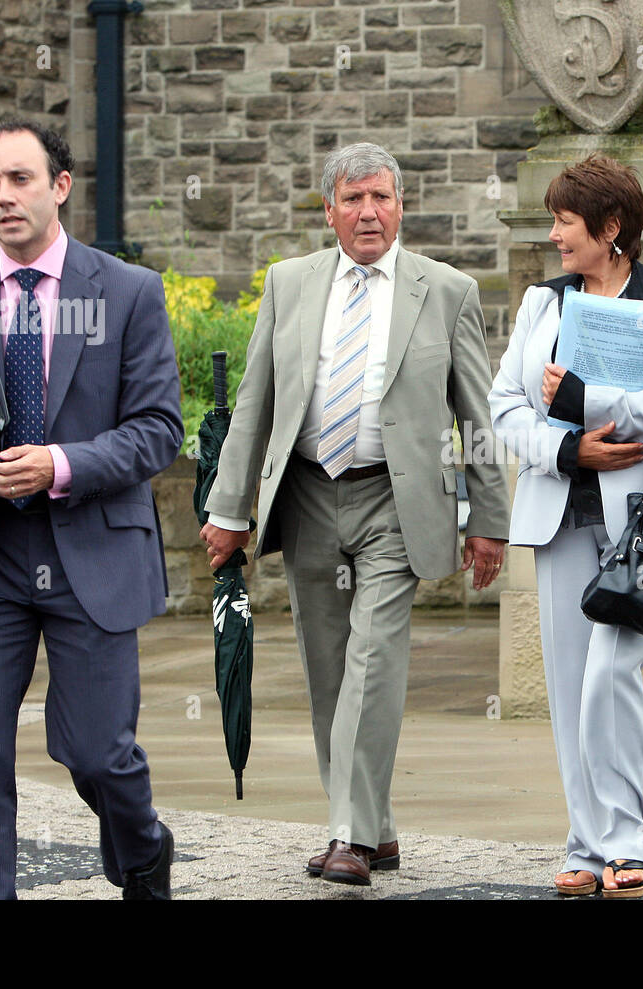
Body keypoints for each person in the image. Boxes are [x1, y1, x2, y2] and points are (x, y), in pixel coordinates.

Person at [0, 121, 183, 899]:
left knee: (96, 753)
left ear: (60, 185)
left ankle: (145, 847)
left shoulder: (126, 292)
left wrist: (61, 463)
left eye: (20, 178)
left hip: (94, 550)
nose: (4, 196)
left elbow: (158, 430)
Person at [199, 143, 509, 888]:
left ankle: (348, 835)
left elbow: (478, 414)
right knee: (329, 670)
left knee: (373, 659)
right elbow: (256, 402)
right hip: (307, 495)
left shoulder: (447, 291)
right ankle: (378, 824)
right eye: (353, 198)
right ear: (330, 210)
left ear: (400, 207)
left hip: (396, 502)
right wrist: (228, 507)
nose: (369, 211)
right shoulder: (289, 283)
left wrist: (489, 517)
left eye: (382, 197)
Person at [489, 154, 643, 898]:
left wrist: (589, 398)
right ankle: (585, 840)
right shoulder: (540, 306)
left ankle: (628, 837)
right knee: (569, 684)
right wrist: (564, 443)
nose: (552, 235)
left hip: (642, 524)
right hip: (560, 513)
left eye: (565, 222)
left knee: (611, 676)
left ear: (611, 229)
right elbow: (504, 408)